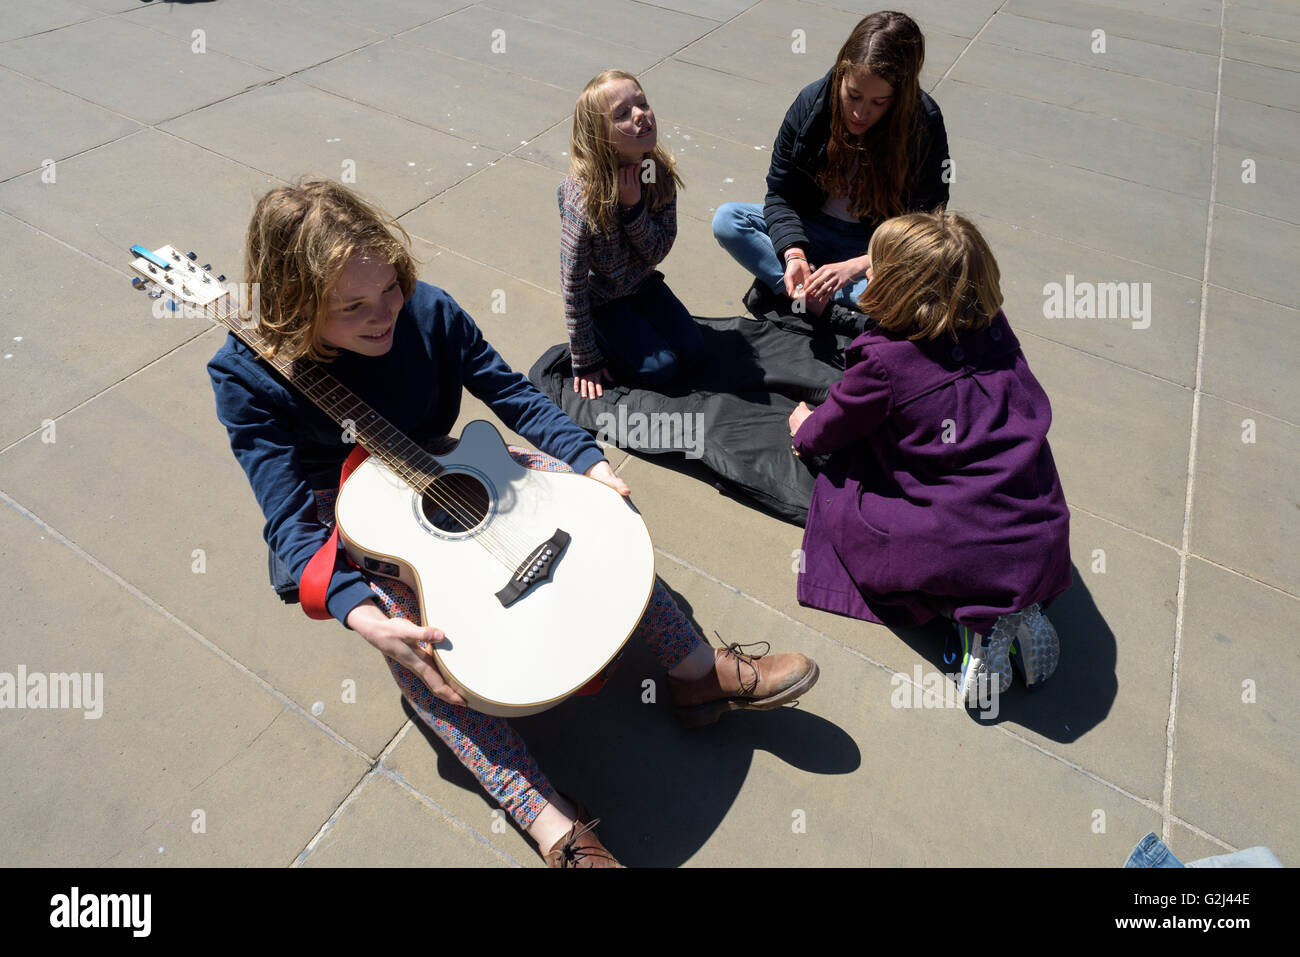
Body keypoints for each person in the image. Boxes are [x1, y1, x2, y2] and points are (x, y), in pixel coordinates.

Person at [207, 179, 819, 867]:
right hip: (346, 504)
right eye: (352, 307)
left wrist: (590, 465)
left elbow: (512, 393)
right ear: (293, 304)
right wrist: (359, 612)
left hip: (446, 459)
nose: (384, 315)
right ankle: (550, 819)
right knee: (424, 653)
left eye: (390, 290)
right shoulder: (247, 377)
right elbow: (287, 516)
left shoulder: (426, 309)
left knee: (597, 511)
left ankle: (694, 670)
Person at [788, 211, 1069, 707]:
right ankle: (1018, 607)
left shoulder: (885, 362)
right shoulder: (994, 328)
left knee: (846, 496)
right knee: (986, 519)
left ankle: (970, 620)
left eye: (875, 267)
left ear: (900, 289)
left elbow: (836, 424)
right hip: (1040, 530)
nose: (866, 273)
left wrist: (804, 429)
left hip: (959, 548)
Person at [713, 10, 950, 331]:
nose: (860, 112)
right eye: (852, 94)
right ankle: (818, 295)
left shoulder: (924, 122)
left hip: (873, 246)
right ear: (841, 73)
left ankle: (810, 295)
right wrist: (794, 253)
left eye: (879, 102)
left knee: (935, 293)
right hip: (812, 231)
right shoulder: (812, 103)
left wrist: (859, 265)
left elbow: (924, 225)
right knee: (729, 220)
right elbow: (780, 195)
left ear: (901, 95)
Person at [560, 69, 705, 400]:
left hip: (642, 285)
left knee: (695, 352)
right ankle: (603, 334)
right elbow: (572, 282)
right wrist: (584, 357)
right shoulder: (583, 196)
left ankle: (639, 329)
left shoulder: (658, 174)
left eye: (642, 103)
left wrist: (634, 210)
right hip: (602, 301)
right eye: (622, 113)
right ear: (600, 135)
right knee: (660, 369)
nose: (641, 115)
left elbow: (656, 252)